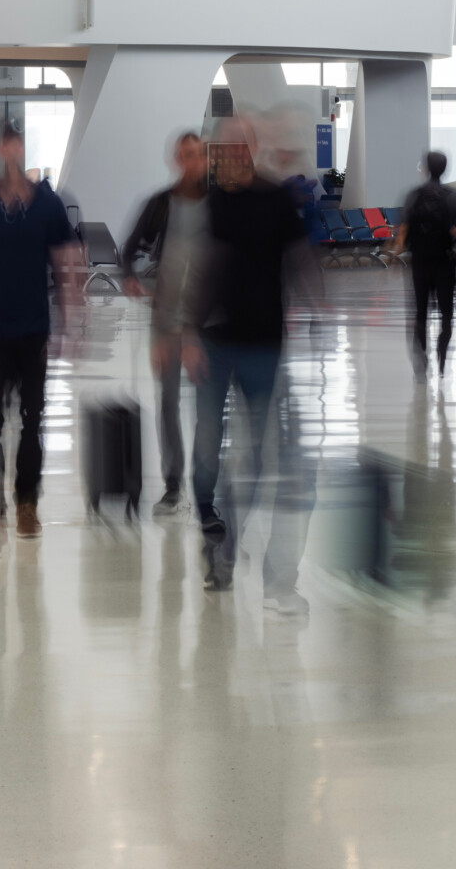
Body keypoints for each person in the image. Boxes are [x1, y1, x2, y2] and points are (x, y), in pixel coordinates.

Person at [184, 118, 313, 607]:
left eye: (240, 146)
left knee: (257, 454)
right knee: (208, 446)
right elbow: (196, 270)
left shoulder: (276, 199)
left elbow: (298, 258)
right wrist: (188, 333)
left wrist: (316, 305)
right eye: (225, 147)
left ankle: (228, 550)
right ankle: (211, 529)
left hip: (262, 343)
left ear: (251, 149)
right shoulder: (209, 203)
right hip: (215, 343)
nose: (233, 154)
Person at [0, 122, 80, 551]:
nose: (9, 149)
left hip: (34, 331)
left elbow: (65, 267)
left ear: (21, 147)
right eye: (3, 143)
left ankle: (27, 504)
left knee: (32, 420)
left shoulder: (47, 204)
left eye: (15, 143)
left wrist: (70, 323)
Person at [122, 129, 209, 517]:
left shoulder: (218, 205)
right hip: (166, 321)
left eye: (198, 154)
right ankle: (173, 485)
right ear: (176, 160)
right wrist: (131, 278)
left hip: (207, 322)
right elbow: (130, 248)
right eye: (186, 155)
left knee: (208, 406)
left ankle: (206, 484)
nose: (192, 161)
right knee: (168, 402)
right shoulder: (160, 204)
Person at [393, 151, 456, 379]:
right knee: (446, 314)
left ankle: (421, 359)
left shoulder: (414, 195)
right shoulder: (453, 196)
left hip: (420, 262)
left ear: (425, 169)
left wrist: (395, 253)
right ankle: (442, 359)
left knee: (420, 312)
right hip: (444, 262)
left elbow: (403, 230)